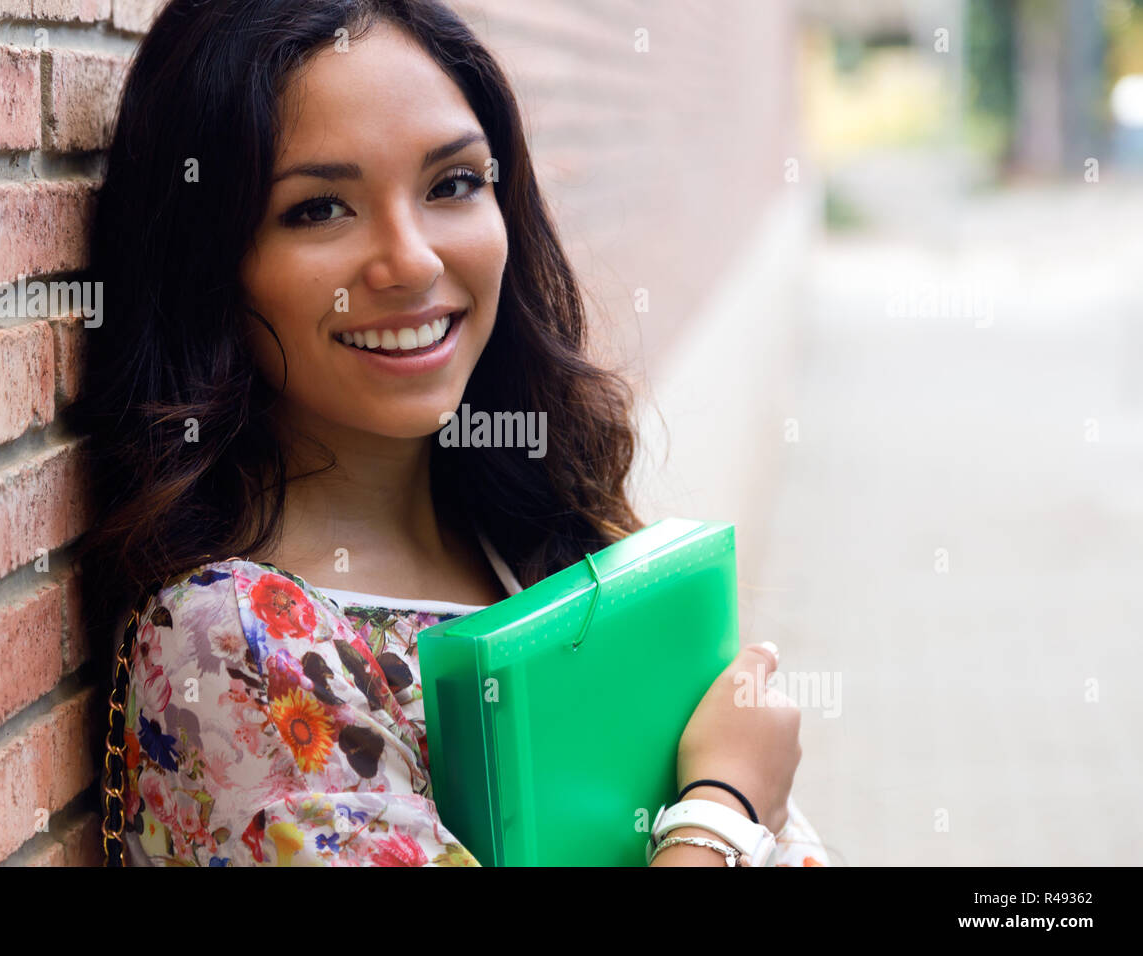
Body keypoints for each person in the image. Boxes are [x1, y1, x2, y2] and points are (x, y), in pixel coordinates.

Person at [67, 0, 829, 867]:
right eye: (319, 208)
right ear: (210, 264)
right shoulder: (235, 646)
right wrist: (723, 807)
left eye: (453, 184)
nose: (415, 260)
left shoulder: (536, 543)